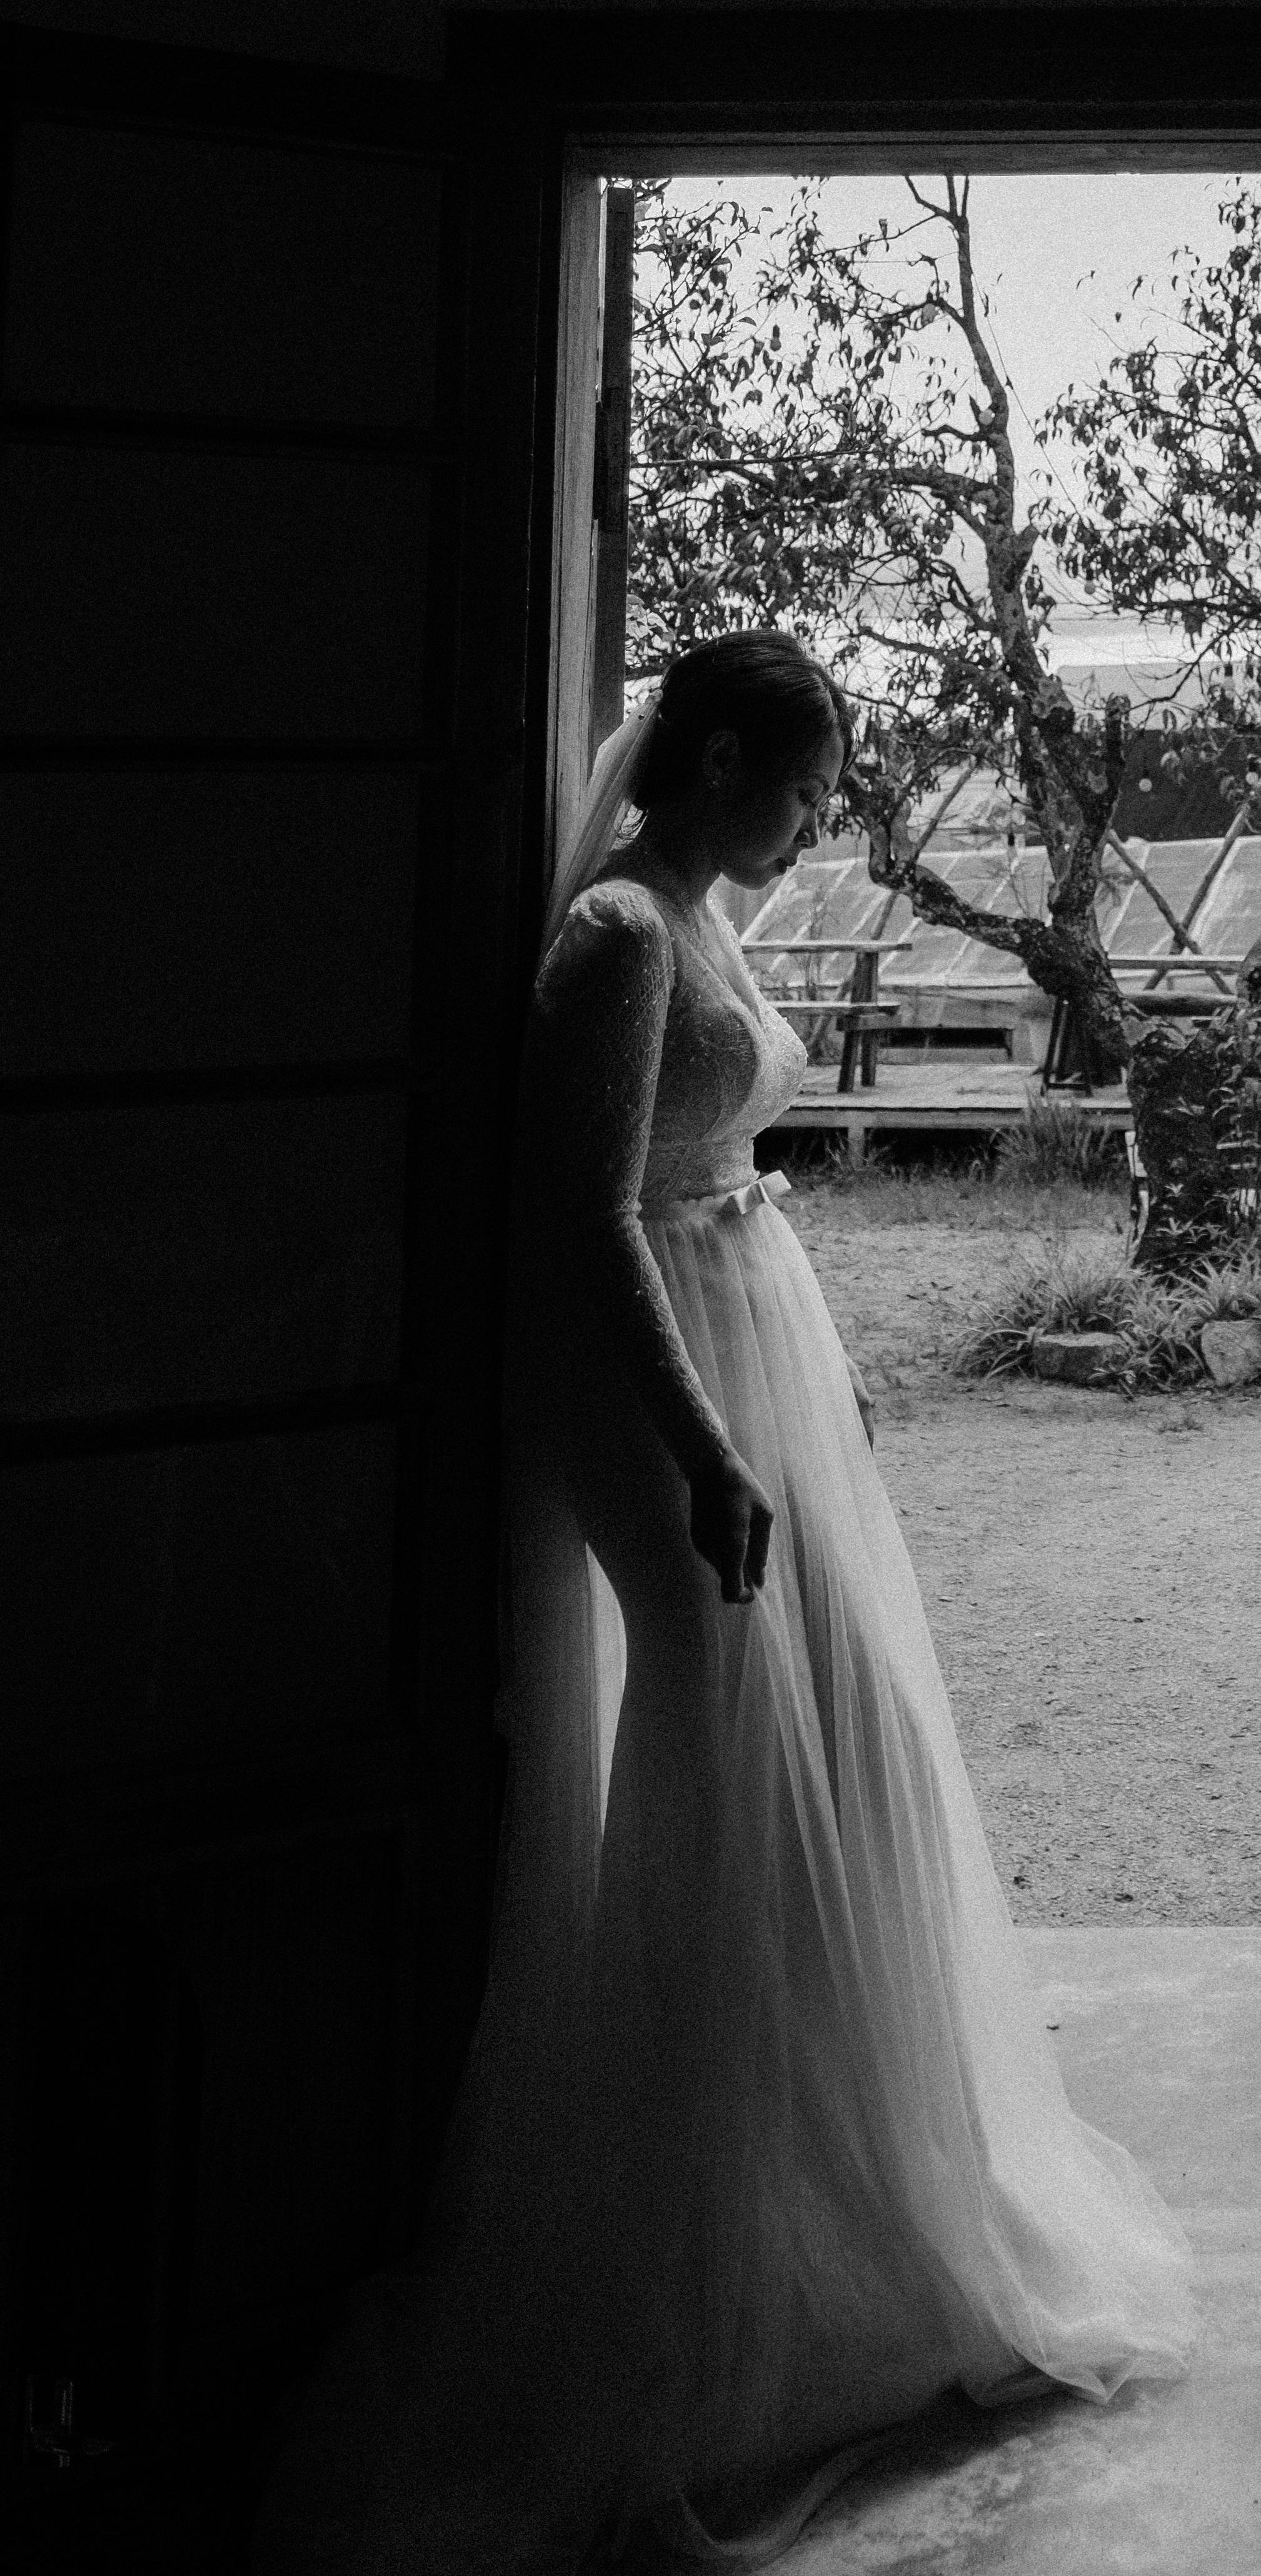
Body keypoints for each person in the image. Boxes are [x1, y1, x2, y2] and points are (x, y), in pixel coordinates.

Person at [258, 631, 1192, 2573]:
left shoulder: (703, 913)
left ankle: (840, 2208)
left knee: (838, 1748)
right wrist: (698, 1452)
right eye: (805, 779)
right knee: (723, 1760)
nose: (818, 815)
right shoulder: (610, 935)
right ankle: (679, 2285)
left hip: (750, 1345)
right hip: (660, 1377)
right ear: (717, 761)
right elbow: (580, 1212)